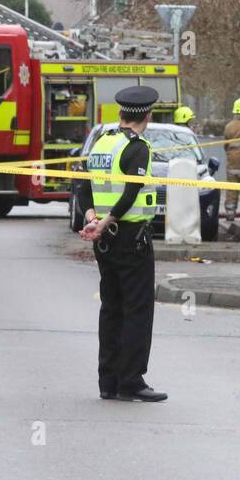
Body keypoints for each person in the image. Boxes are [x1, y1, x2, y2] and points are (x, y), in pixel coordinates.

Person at [75, 86, 167, 403]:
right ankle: (131, 380)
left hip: (104, 241)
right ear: (147, 115)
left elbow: (83, 185)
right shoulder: (138, 147)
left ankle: (108, 381)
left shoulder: (103, 143)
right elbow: (130, 192)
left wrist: (92, 218)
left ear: (121, 114)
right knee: (137, 309)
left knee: (111, 309)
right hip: (130, 238)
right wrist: (108, 219)